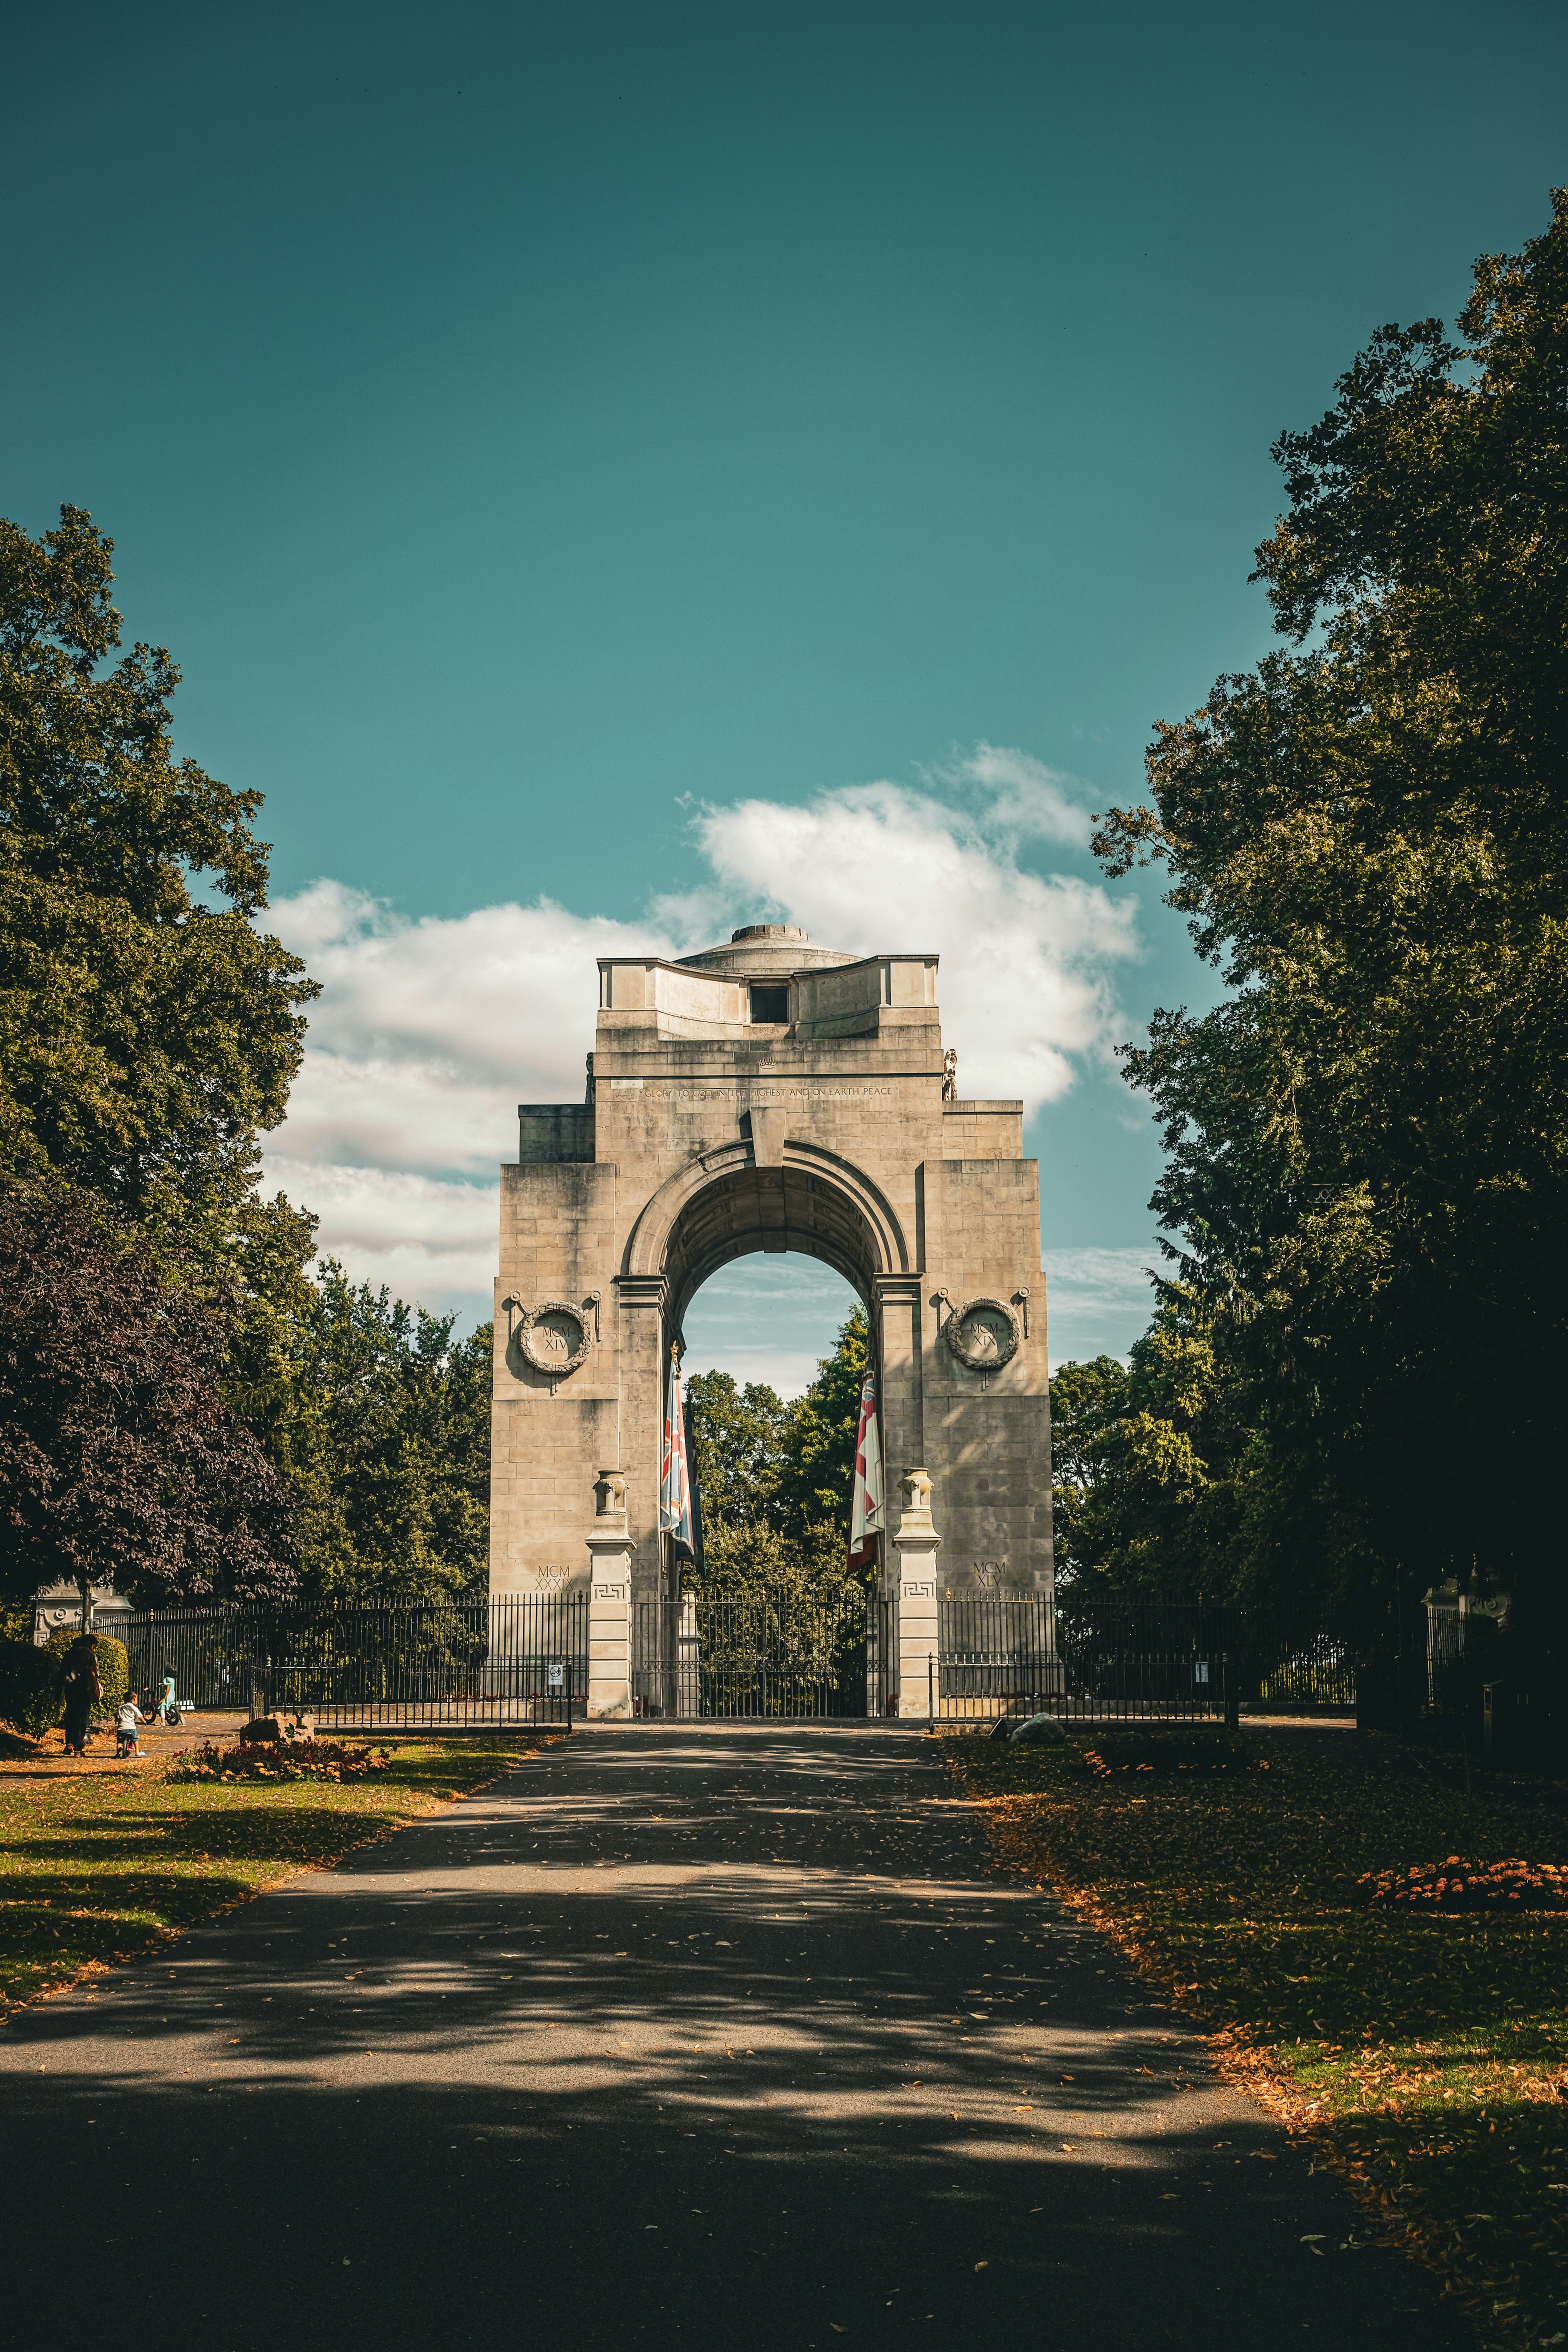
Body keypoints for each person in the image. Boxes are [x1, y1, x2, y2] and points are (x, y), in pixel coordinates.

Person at [60, 1634, 102, 1756]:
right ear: (89, 1643)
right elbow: (96, 1672)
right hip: (84, 1688)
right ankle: (78, 1747)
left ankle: (69, 1743)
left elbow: (62, 1671)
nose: (93, 1649)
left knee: (71, 1715)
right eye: (93, 1646)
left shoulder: (69, 1654)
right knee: (82, 1717)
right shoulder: (89, 1655)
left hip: (70, 1688)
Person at [114, 1693, 145, 1759]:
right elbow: (140, 1717)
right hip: (131, 1728)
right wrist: (144, 1722)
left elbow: (115, 1713)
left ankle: (118, 1754)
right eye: (137, 1699)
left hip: (121, 1728)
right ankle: (137, 1752)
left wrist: (117, 1719)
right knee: (135, 1739)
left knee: (120, 1740)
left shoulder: (121, 1707)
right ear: (133, 1701)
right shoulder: (134, 1708)